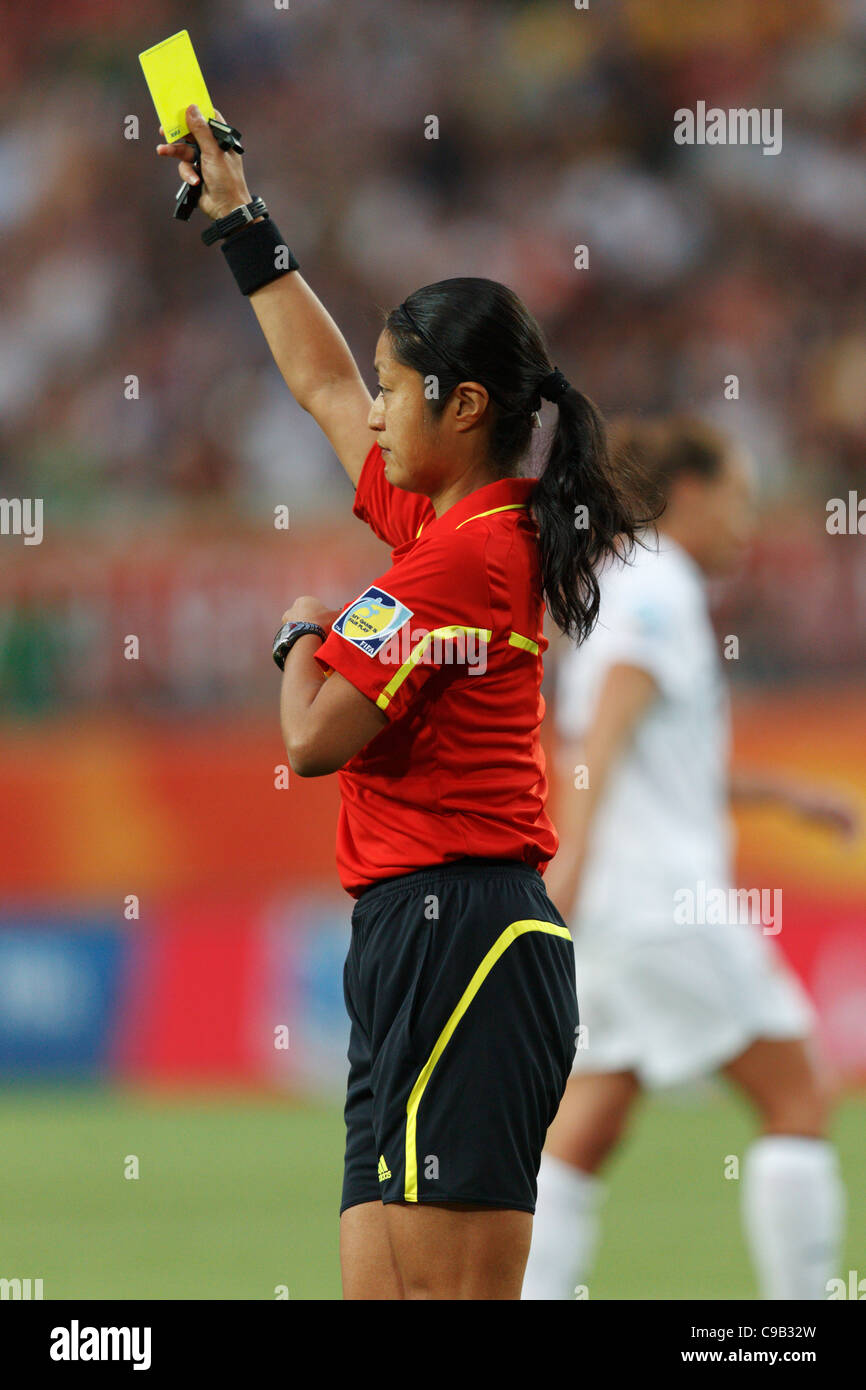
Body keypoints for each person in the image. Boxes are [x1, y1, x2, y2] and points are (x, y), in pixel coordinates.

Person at [155, 106, 656, 1299]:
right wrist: (242, 224)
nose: (373, 413)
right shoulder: (458, 526)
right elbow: (320, 384)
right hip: (408, 935)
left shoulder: (457, 560)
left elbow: (311, 735)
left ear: (464, 405)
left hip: (465, 934)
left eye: (396, 391)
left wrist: (299, 637)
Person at [522, 416, 857, 1301]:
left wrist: (782, 793)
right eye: (742, 499)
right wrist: (575, 857)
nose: (748, 524)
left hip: (620, 914)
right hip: (663, 903)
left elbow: (650, 759)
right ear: (694, 494)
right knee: (797, 1096)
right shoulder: (657, 586)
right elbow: (610, 728)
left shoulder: (613, 583)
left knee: (587, 1123)